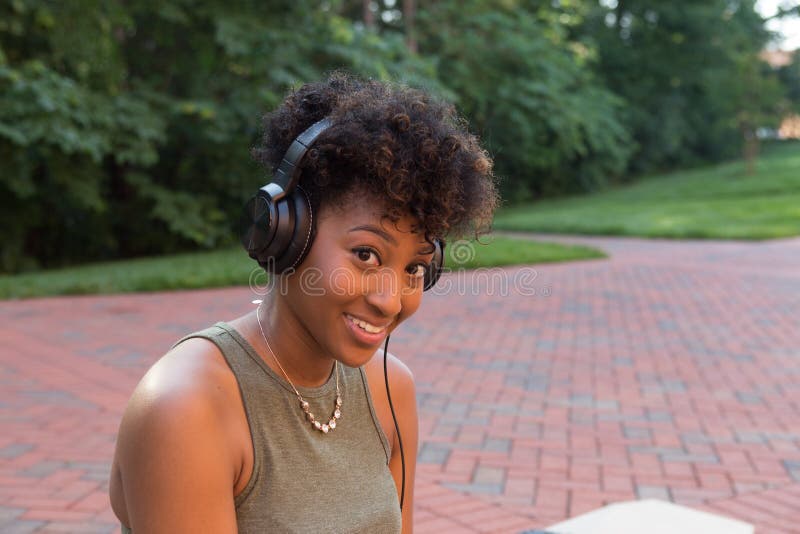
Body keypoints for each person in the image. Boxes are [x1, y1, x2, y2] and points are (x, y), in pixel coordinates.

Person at [109, 71, 499, 533]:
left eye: (413, 268)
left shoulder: (391, 389)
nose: (390, 301)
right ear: (285, 233)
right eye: (366, 255)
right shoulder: (185, 407)